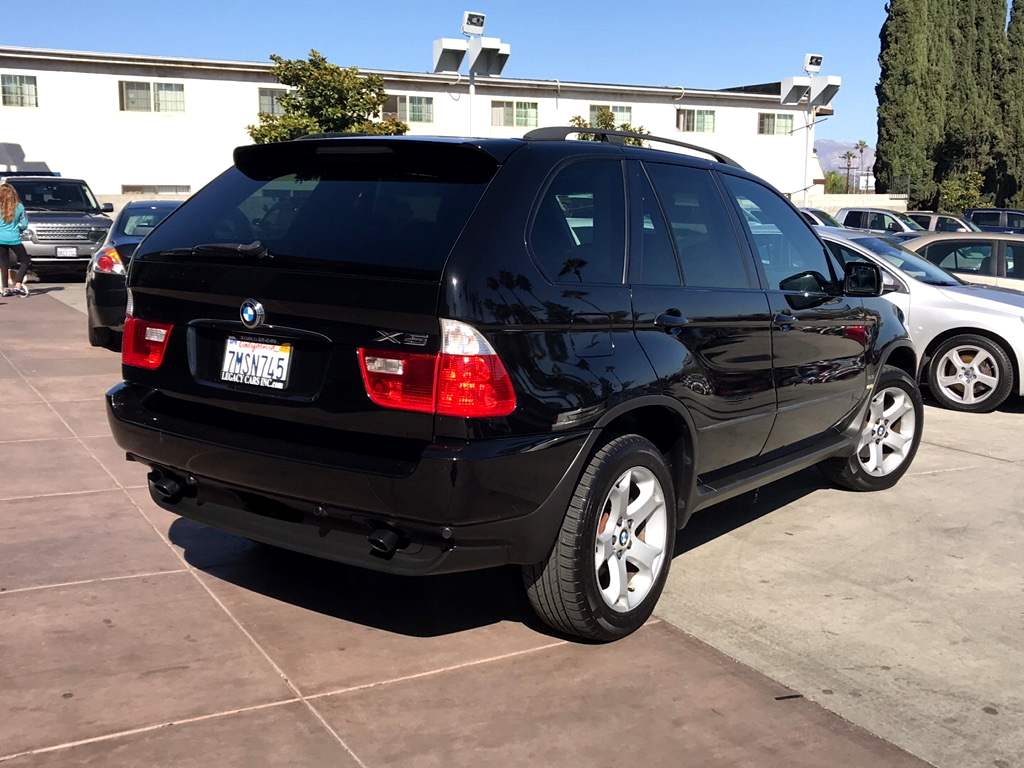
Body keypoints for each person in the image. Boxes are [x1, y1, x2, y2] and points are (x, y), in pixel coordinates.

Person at [0, 183, 31, 297]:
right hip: (14, 239)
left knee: (4, 264)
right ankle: (17, 285)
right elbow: (24, 224)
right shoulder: (19, 207)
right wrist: (18, 229)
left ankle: (5, 289)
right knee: (25, 261)